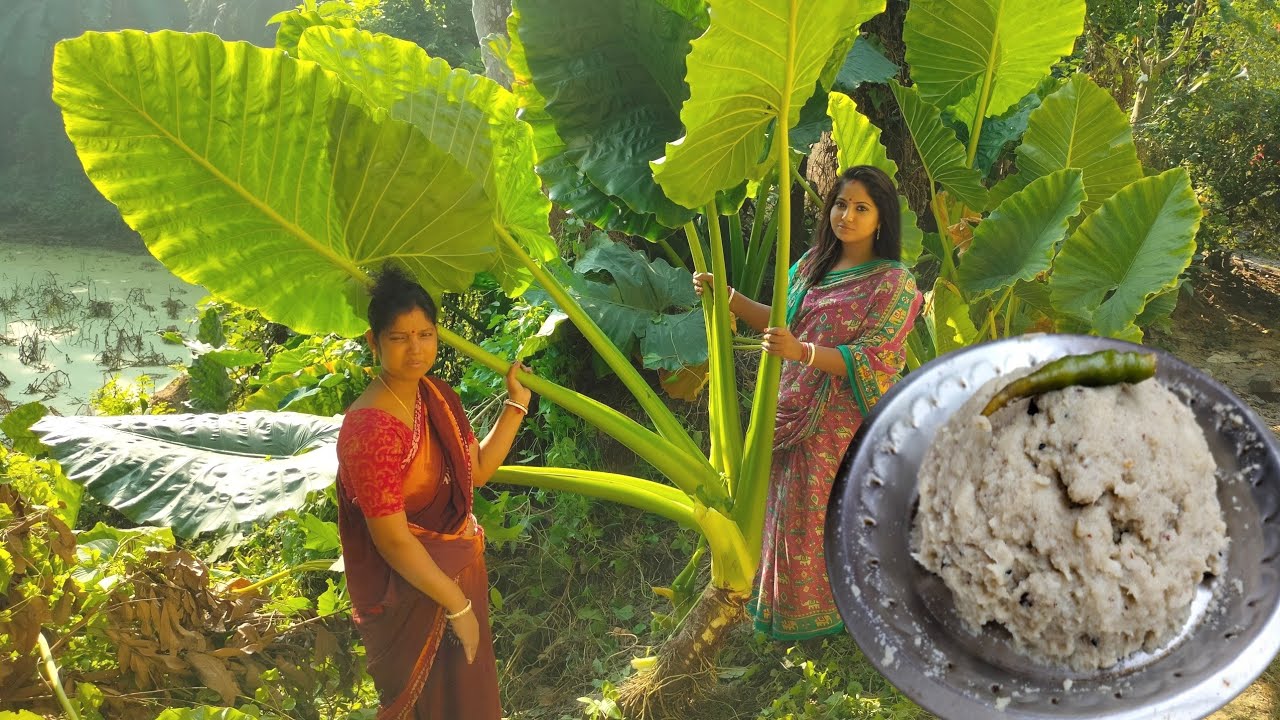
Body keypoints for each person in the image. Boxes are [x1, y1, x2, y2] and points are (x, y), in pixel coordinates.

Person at [694, 165, 922, 641]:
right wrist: (728, 296)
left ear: (881, 218)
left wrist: (805, 353)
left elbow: (876, 356)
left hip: (836, 419)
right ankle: (778, 607)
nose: (848, 216)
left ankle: (834, 613)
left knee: (816, 516)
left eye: (862, 208)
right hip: (787, 405)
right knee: (780, 510)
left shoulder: (893, 283)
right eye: (841, 204)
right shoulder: (811, 262)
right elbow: (780, 322)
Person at [336, 265, 532, 718]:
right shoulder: (371, 429)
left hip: (456, 582)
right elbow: (392, 539)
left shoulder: (436, 396)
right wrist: (457, 607)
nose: (415, 350)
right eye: (400, 338)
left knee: (469, 703)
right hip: (416, 601)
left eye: (425, 334)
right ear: (374, 342)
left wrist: (516, 404)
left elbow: (478, 470)